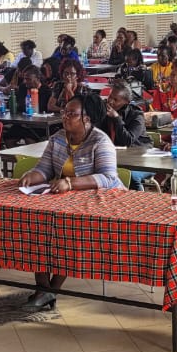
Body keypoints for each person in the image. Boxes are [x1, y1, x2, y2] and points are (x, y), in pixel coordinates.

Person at [19, 94, 123, 313]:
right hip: (65, 201)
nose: (65, 116)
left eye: (72, 114)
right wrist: (32, 175)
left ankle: (48, 290)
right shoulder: (58, 138)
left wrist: (70, 182)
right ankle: (44, 290)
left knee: (68, 234)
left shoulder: (100, 141)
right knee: (36, 227)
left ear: (87, 118)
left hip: (101, 202)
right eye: (64, 112)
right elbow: (45, 169)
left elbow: (108, 178)